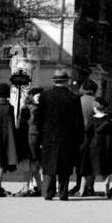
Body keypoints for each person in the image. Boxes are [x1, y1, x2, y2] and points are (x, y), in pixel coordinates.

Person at [32, 68, 85, 200]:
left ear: (54, 81)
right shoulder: (73, 98)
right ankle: (63, 193)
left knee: (49, 166)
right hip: (67, 137)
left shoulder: (45, 96)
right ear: (67, 81)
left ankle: (48, 193)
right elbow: (78, 122)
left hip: (48, 136)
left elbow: (38, 118)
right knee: (64, 167)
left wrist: (39, 137)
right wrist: (79, 140)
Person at [83, 95, 112, 198]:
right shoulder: (108, 120)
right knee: (106, 169)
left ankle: (90, 188)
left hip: (93, 147)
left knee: (91, 169)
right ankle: (106, 189)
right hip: (106, 147)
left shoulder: (92, 120)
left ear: (95, 108)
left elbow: (87, 134)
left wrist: (85, 147)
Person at [74, 79, 99, 195]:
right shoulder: (96, 102)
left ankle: (79, 185)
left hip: (79, 135)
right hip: (93, 135)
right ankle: (90, 186)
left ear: (84, 89)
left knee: (80, 162)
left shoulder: (78, 101)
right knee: (91, 162)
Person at [16, 87, 42, 195]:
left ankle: (27, 187)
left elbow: (20, 125)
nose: (40, 98)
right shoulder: (34, 109)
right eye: (38, 96)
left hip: (29, 139)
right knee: (33, 165)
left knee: (30, 164)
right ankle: (40, 187)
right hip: (31, 139)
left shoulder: (27, 109)